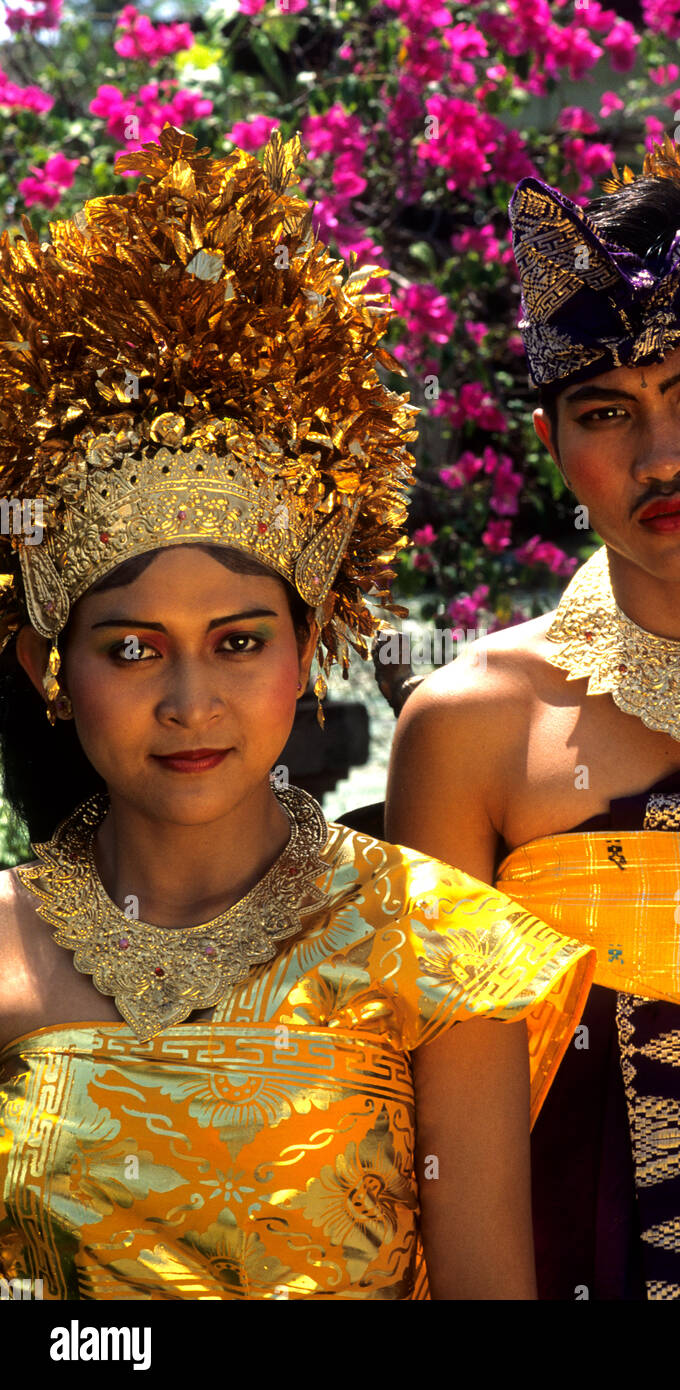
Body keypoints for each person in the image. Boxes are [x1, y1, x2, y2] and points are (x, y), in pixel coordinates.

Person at [0, 124, 594, 1301]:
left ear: (309, 650)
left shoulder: (443, 951)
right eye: (129, 648)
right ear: (44, 665)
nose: (188, 701)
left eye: (238, 642)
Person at [386, 137, 680, 1301]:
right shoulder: (468, 729)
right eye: (605, 410)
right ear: (551, 446)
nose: (661, 453)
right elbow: (461, 1152)